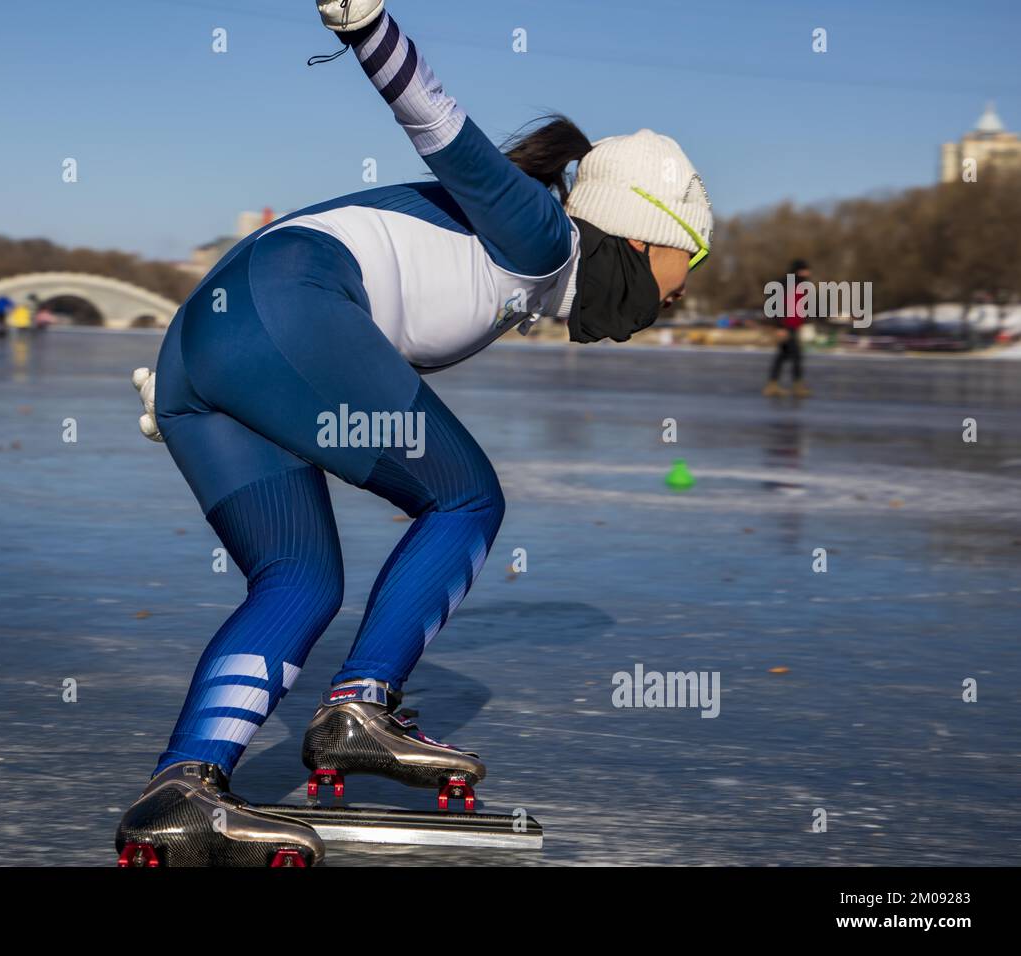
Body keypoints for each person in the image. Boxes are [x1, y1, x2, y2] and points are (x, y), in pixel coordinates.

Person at [115, 0, 714, 867]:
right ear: (645, 232)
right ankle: (359, 705)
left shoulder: (511, 273)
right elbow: (435, 120)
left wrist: (222, 372)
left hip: (211, 349)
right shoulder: (542, 235)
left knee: (300, 580)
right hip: (284, 315)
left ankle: (180, 792)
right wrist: (368, 27)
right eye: (688, 260)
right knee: (466, 496)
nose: (686, 288)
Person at [763, 258, 811, 397]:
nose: (808, 272)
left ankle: (772, 384)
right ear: (798, 270)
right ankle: (797, 385)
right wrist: (779, 326)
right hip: (785, 326)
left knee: (783, 355)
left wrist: (805, 322)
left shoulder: (803, 285)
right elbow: (775, 305)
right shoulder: (784, 284)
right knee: (796, 355)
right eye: (805, 270)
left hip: (794, 326)